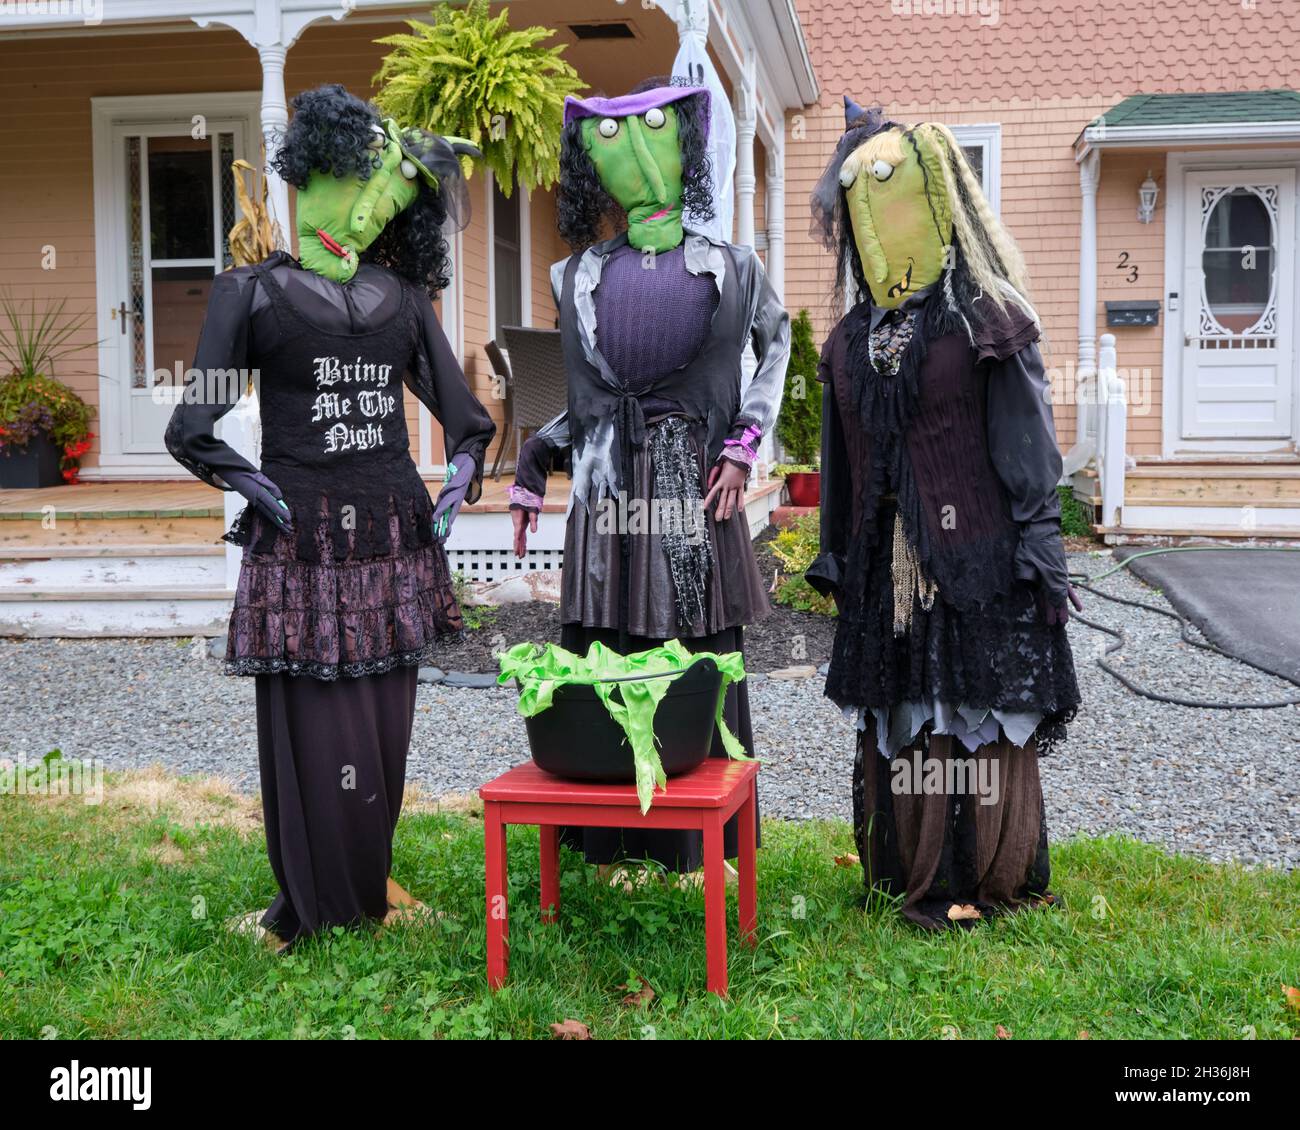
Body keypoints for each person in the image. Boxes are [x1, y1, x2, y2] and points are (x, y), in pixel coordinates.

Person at [165, 85, 495, 946]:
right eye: (358, 181)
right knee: (311, 722)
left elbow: (465, 419)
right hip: (301, 542)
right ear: (312, 173)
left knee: (385, 720)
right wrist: (249, 481)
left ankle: (367, 885)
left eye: (383, 191)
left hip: (393, 538)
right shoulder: (252, 296)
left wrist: (461, 474)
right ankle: (313, 904)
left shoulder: (401, 298)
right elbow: (190, 424)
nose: (366, 205)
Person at [806, 98, 1082, 929]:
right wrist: (838, 557)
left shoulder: (987, 319)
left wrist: (1040, 544)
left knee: (976, 713)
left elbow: (1026, 443)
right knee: (909, 714)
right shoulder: (851, 339)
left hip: (977, 561)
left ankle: (985, 875)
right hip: (886, 567)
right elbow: (841, 463)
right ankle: (914, 872)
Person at [510, 78, 790, 874]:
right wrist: (537, 457)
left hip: (694, 483)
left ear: (685, 147)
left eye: (652, 133)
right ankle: (610, 842)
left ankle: (703, 848)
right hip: (604, 488)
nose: (633, 153)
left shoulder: (734, 266)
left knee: (694, 645)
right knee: (609, 645)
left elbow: (776, 347)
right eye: (609, 140)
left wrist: (743, 443)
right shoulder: (577, 277)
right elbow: (592, 401)